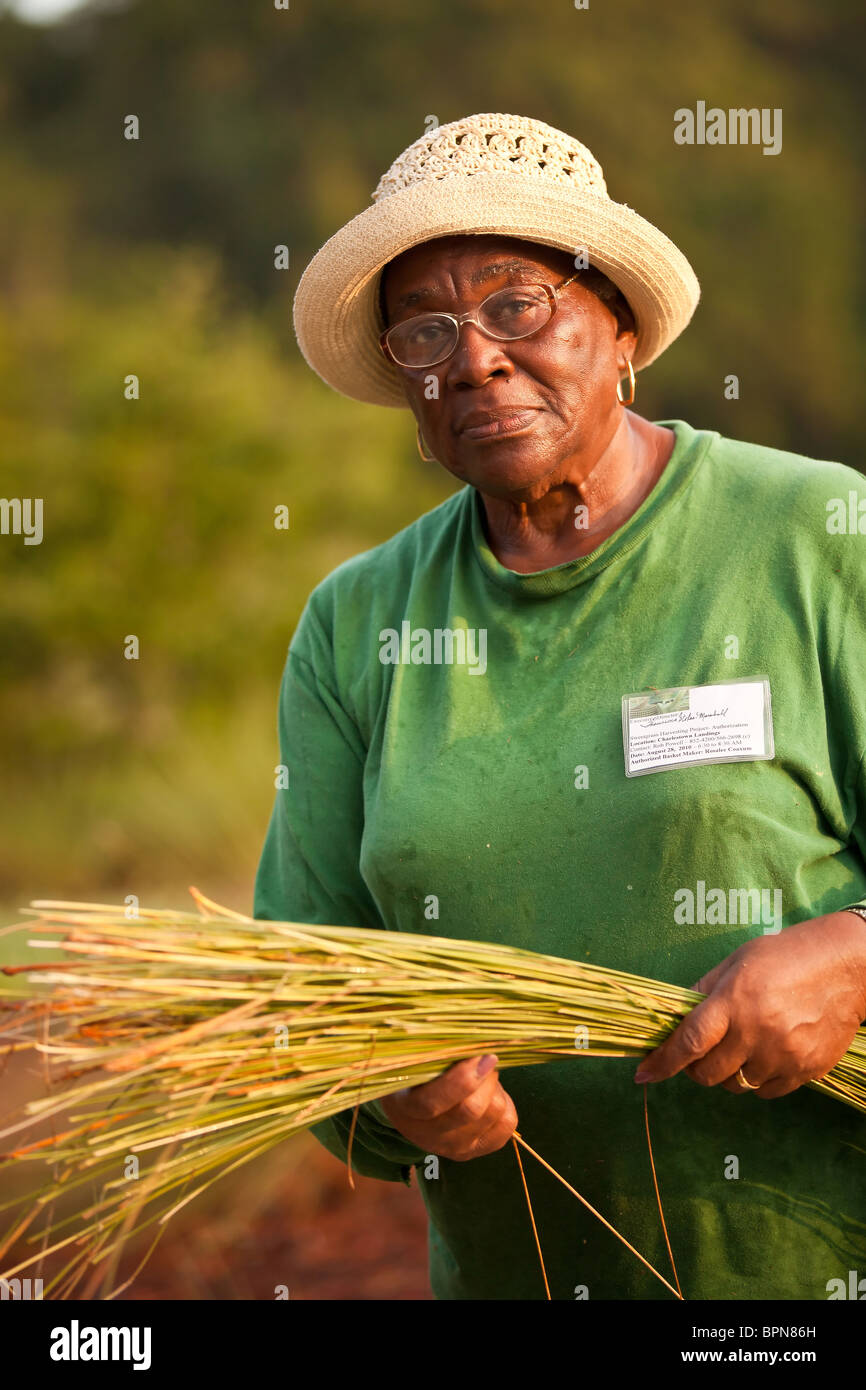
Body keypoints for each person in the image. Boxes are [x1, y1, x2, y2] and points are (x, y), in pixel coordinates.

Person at [254, 112, 866, 1299]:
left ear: (621, 325)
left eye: (515, 303)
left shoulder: (814, 534)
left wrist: (854, 956)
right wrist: (389, 1091)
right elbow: (299, 987)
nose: (473, 357)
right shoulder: (355, 621)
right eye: (425, 330)